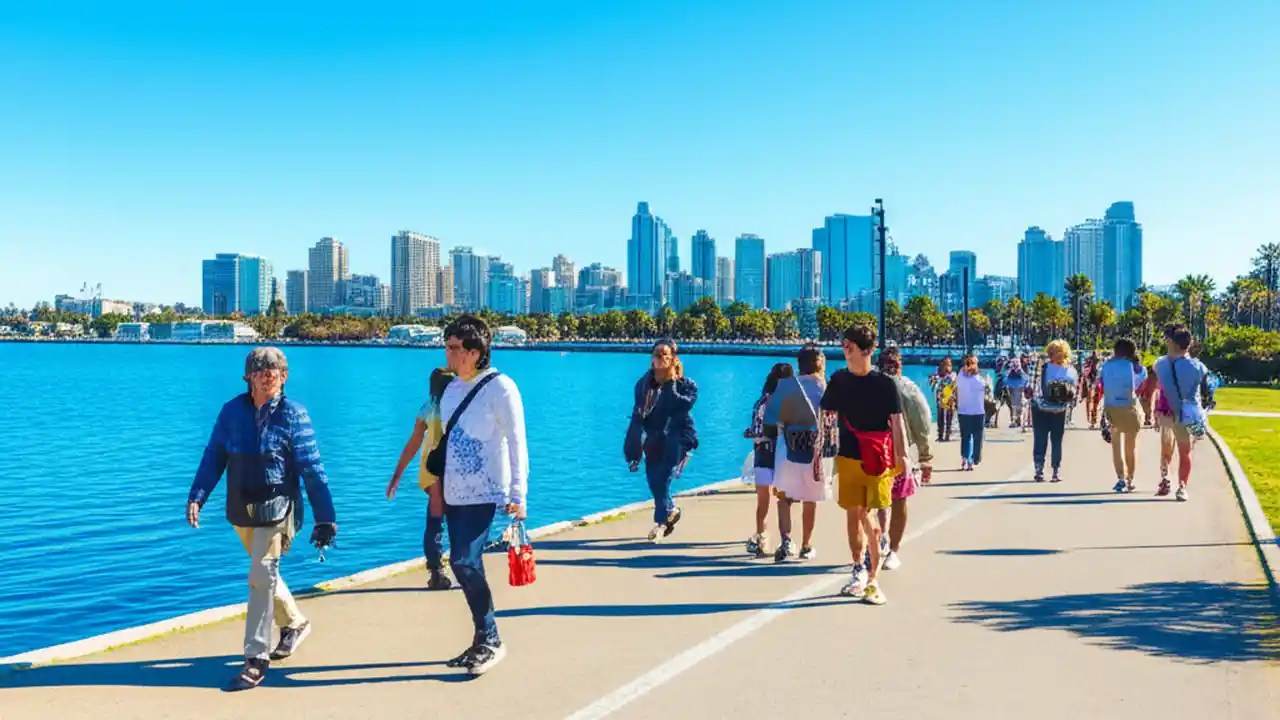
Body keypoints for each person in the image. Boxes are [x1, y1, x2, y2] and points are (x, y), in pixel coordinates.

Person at [187, 347, 337, 691]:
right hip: (240, 508)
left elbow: (312, 468)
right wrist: (198, 495)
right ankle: (295, 624)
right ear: (248, 377)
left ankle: (255, 658)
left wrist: (325, 517)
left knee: (260, 573)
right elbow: (214, 456)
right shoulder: (231, 412)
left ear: (284, 377)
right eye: (261, 371)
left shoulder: (294, 414)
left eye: (276, 372)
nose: (269, 376)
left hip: (278, 507)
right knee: (263, 573)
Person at [437, 315, 529, 675]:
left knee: (463, 561)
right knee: (462, 564)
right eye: (447, 346)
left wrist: (519, 494)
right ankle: (482, 638)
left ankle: (490, 638)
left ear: (474, 353)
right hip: (454, 492)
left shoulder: (501, 388)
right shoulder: (450, 390)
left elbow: (517, 442)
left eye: (454, 348)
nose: (448, 353)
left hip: (487, 492)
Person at [822, 324, 909, 605]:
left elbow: (897, 423)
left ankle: (873, 579)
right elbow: (826, 418)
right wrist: (818, 459)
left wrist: (904, 457)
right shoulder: (838, 380)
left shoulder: (885, 384)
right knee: (855, 514)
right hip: (847, 457)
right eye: (843, 344)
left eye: (851, 345)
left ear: (868, 350)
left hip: (879, 460)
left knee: (870, 519)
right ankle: (859, 569)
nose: (845, 349)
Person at [386, 367, 457, 590]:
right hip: (453, 469)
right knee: (455, 522)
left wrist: (397, 475)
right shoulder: (460, 408)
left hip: (430, 470)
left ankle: (436, 571)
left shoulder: (429, 408)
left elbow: (414, 443)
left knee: (435, 522)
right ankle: (456, 567)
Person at [625, 339, 698, 542]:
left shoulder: (687, 386)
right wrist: (633, 450)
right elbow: (638, 416)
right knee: (653, 480)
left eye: (665, 354)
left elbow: (680, 407)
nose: (660, 358)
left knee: (662, 478)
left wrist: (670, 383)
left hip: (679, 437)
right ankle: (671, 510)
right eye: (657, 353)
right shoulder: (643, 386)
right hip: (654, 439)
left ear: (673, 359)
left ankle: (660, 524)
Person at [766, 345, 833, 562]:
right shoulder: (825, 388)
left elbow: (772, 419)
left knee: (784, 497)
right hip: (815, 451)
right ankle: (806, 545)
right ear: (820, 362)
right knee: (810, 499)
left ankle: (786, 541)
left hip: (787, 449)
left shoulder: (786, 387)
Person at [876, 346, 933, 571]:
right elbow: (922, 421)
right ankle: (893, 550)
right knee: (899, 499)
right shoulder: (907, 387)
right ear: (899, 365)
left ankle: (881, 538)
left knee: (875, 501)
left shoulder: (869, 385)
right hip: (899, 452)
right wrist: (926, 456)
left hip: (874, 451)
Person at [743, 362, 794, 558]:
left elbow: (755, 431)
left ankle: (761, 537)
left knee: (763, 500)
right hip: (781, 455)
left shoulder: (761, 402)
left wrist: (752, 434)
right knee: (783, 499)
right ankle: (785, 539)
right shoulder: (790, 403)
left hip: (762, 454)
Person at [1153, 325, 1207, 502]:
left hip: (1167, 410)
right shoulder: (1198, 367)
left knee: (1166, 445)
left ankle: (1165, 477)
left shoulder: (1160, 364)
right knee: (1185, 452)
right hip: (1188, 414)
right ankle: (1182, 486)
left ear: (1172, 343)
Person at [1100, 339, 1147, 493]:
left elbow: (1102, 383)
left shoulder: (1106, 366)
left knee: (1116, 445)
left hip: (1111, 406)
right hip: (1129, 407)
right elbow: (1138, 385)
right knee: (1131, 446)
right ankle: (1130, 479)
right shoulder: (1136, 368)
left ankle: (1120, 477)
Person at [1031, 340, 1079, 483]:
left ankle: (1039, 469)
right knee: (1056, 441)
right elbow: (1074, 392)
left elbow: (1033, 387)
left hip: (1041, 407)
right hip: (1060, 409)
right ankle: (1055, 471)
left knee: (1040, 438)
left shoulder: (1042, 368)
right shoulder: (1070, 371)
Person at [955, 355, 989, 471]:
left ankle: (966, 458)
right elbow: (987, 388)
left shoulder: (960, 377)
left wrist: (966, 366)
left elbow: (961, 373)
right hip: (978, 412)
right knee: (978, 437)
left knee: (966, 437)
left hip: (963, 412)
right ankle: (974, 458)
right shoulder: (980, 379)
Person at [930, 358, 957, 442]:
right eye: (946, 364)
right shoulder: (937, 376)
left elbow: (954, 386)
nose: (948, 367)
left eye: (949, 365)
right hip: (941, 398)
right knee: (940, 416)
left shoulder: (952, 375)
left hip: (950, 398)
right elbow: (932, 386)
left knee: (949, 416)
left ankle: (948, 434)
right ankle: (940, 435)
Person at [1003, 358, 1030, 430]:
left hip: (1013, 387)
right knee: (1017, 405)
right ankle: (1016, 420)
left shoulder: (1012, 372)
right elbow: (1026, 378)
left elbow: (1005, 380)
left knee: (1015, 405)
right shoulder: (1018, 371)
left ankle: (1015, 420)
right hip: (1016, 387)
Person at [1081, 352, 1104, 429]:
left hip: (1096, 388)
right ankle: (1093, 421)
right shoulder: (1090, 369)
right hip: (1093, 389)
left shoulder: (1099, 369)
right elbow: (1086, 379)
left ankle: (1093, 422)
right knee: (1094, 405)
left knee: (1094, 405)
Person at [1137, 363, 1160, 428]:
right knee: (1150, 403)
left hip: (1149, 391)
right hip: (1149, 391)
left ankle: (1149, 419)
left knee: (1148, 403)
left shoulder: (1152, 376)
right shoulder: (1153, 376)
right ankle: (1149, 419)